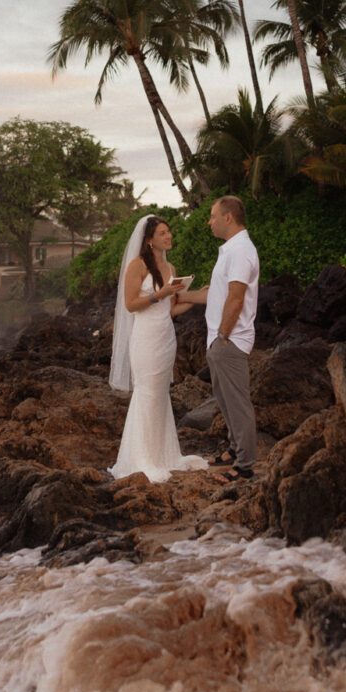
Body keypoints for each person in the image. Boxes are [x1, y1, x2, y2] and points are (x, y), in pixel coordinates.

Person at [107, 214, 208, 482]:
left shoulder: (170, 267)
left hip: (166, 338)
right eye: (163, 233)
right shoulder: (137, 266)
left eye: (169, 232)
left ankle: (162, 456)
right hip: (145, 337)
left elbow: (171, 309)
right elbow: (130, 304)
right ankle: (142, 459)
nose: (168, 236)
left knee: (161, 395)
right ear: (150, 240)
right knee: (147, 393)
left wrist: (198, 297)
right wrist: (157, 295)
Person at [187, 195, 260, 483]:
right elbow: (216, 295)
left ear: (228, 217)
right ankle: (234, 449)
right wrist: (177, 295)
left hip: (230, 340)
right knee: (226, 400)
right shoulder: (231, 249)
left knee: (237, 403)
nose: (209, 222)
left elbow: (236, 297)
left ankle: (244, 466)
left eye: (213, 216)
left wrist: (223, 336)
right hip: (220, 340)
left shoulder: (241, 250)